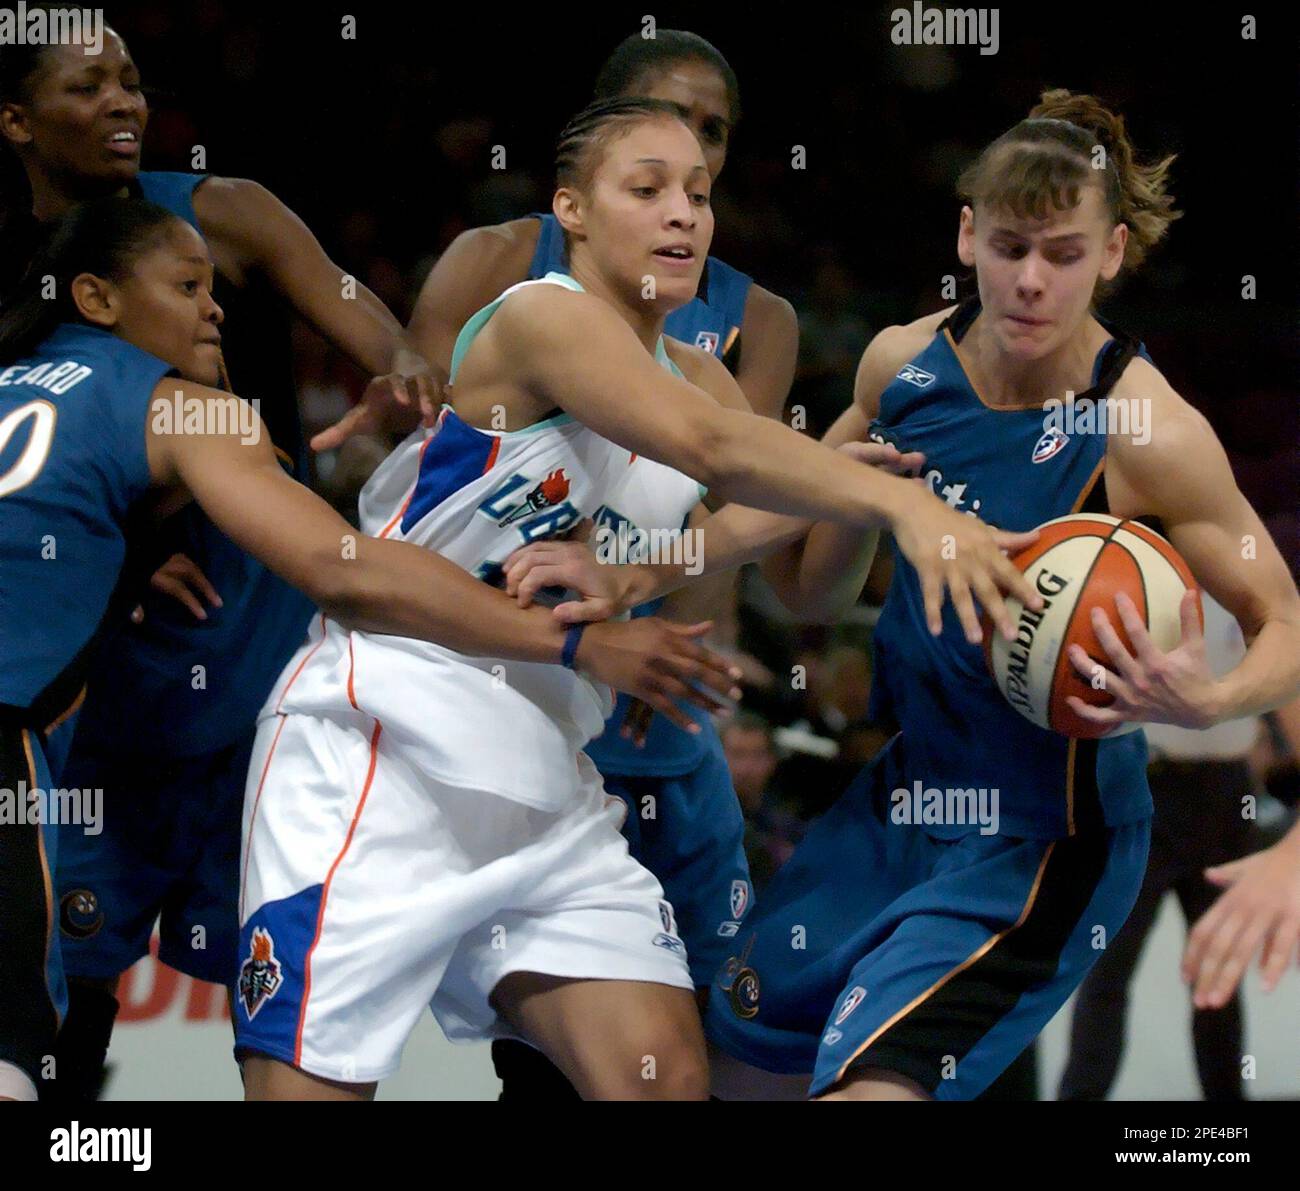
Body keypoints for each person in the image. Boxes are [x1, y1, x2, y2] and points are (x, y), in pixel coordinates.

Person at [234, 96, 1043, 1101]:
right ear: (571, 210)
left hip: (545, 768)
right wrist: (889, 504)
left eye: (699, 195)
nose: (683, 215)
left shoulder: (699, 373)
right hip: (383, 733)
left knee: (659, 1079)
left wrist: (877, 449)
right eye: (646, 189)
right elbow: (719, 453)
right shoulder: (543, 317)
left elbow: (754, 535)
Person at [504, 89, 1300, 1101]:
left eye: (1062, 254)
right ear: (966, 235)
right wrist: (638, 569)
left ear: (1111, 254)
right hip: (898, 801)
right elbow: (801, 585)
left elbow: (1286, 623)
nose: (1028, 280)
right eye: (1008, 247)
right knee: (717, 1078)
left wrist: (1210, 699)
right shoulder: (903, 365)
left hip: (1040, 844)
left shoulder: (1144, 428)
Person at [0, 195, 737, 1103]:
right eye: (189, 285)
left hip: (535, 773)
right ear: (96, 298)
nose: (216, 306)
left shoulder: (22, 388)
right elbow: (344, 570)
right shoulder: (191, 410)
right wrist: (577, 638)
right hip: (363, 729)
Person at [0, 8, 435, 1099]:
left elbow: (360, 315)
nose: (122, 105)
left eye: (132, 82)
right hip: (96, 688)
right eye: (87, 85)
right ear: (16, 120)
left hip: (260, 658)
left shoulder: (220, 212)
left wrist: (400, 366)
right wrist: (124, 549)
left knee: (285, 994)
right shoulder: (20, 286)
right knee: (63, 1000)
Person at [403, 29, 803, 1098]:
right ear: (584, 177)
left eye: (709, 152)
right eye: (656, 160)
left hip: (654, 700)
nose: (684, 188)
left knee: (703, 1041)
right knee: (538, 1051)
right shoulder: (506, 273)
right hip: (488, 703)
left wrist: (679, 642)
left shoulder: (749, 320)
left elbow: (749, 507)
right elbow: (416, 475)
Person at [1059, 594, 1262, 1100]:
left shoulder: (1251, 584)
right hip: (1145, 787)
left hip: (1225, 795)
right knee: (1109, 965)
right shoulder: (1141, 576)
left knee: (1219, 972)